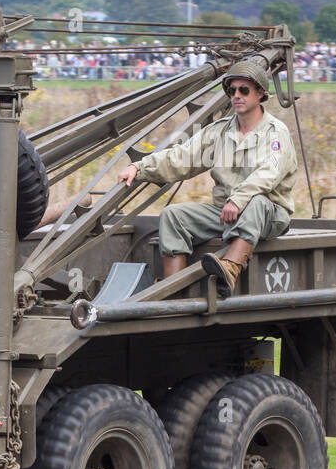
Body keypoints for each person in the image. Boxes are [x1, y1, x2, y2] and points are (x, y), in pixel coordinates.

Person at [117, 58, 296, 296]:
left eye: (244, 90)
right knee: (173, 215)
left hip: (267, 213)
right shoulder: (219, 131)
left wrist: (239, 199)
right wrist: (139, 168)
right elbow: (182, 157)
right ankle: (172, 290)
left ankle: (230, 269)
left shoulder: (276, 134)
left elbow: (268, 174)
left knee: (257, 202)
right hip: (227, 212)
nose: (237, 96)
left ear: (261, 94)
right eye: (232, 90)